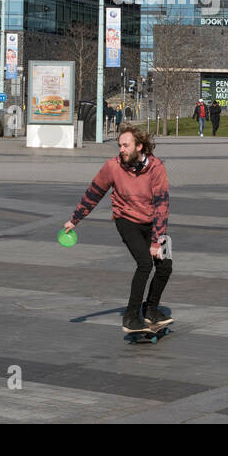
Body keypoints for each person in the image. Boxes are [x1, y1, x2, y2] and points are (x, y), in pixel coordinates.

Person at [63, 125, 172, 333]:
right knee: (144, 264)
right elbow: (93, 193)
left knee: (165, 266)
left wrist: (157, 241)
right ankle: (131, 317)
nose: (121, 149)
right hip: (127, 220)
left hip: (154, 223)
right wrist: (75, 220)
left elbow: (162, 205)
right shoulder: (112, 167)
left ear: (139, 146)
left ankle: (150, 309)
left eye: (126, 145)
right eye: (119, 145)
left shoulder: (157, 168)